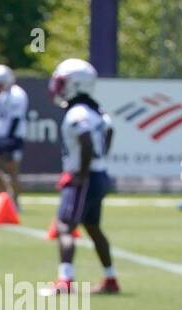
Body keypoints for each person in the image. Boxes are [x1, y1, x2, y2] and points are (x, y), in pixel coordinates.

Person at [46, 58, 118, 295]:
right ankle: (110, 279)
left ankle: (65, 281)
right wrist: (98, 161)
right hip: (99, 174)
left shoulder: (77, 113)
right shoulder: (95, 111)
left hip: (84, 176)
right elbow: (109, 131)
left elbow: (86, 141)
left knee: (65, 226)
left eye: (62, 82)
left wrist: (81, 173)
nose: (58, 87)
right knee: (93, 227)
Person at [0, 64, 29, 211]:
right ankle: (7, 196)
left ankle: (15, 202)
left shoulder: (17, 94)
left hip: (12, 138)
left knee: (12, 170)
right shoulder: (4, 95)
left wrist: (8, 142)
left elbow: (15, 119)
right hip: (3, 137)